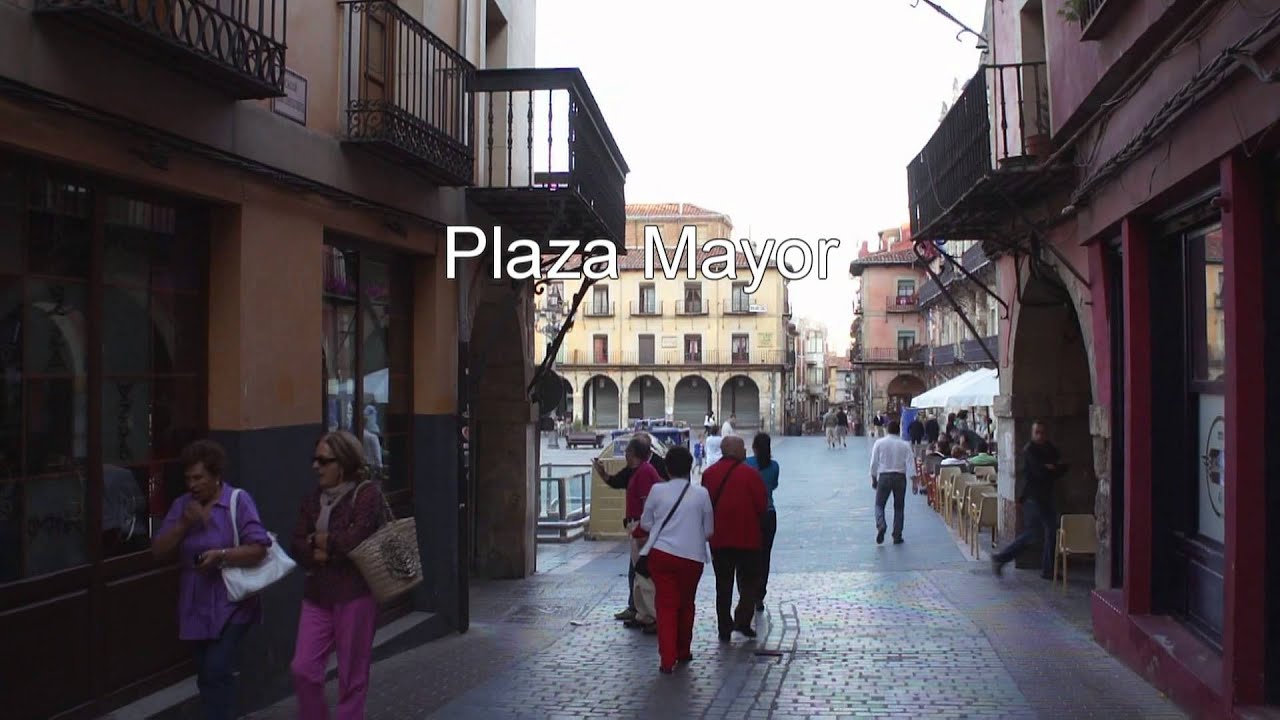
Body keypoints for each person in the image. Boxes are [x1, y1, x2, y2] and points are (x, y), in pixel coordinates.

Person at [153, 440, 271, 720]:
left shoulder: (237, 501)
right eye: (188, 479)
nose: (192, 485)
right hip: (196, 600)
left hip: (232, 600)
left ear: (216, 475)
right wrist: (183, 524)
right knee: (205, 672)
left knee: (217, 667)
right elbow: (158, 550)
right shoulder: (183, 506)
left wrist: (221, 555)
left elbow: (259, 547)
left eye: (199, 478)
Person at [290, 430, 387, 719]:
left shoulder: (367, 495)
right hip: (317, 595)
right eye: (314, 459)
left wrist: (322, 543)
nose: (315, 466)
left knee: (352, 676)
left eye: (323, 461)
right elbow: (297, 544)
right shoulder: (312, 499)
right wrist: (324, 548)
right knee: (303, 669)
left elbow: (353, 542)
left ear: (342, 463)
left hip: (354, 594)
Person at [639, 446, 714, 674]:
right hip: (692, 557)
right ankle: (683, 650)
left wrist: (660, 529)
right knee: (686, 603)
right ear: (690, 467)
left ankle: (667, 658)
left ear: (667, 468)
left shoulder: (656, 491)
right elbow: (709, 531)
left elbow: (645, 523)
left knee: (666, 605)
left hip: (662, 554)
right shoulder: (702, 494)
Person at [701, 435, 767, 640]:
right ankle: (743, 619)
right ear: (736, 451)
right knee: (748, 583)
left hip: (720, 539)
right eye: (743, 448)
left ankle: (724, 626)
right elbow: (762, 505)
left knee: (723, 585)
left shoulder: (709, 474)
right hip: (747, 538)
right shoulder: (751, 474)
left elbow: (705, 505)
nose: (746, 451)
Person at [993, 420, 1067, 579]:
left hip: (1046, 497)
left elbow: (1061, 467)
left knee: (1050, 531)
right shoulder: (1030, 450)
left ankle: (1047, 569)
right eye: (1037, 432)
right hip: (1032, 497)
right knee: (1032, 533)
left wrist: (1051, 468)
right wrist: (1049, 468)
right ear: (1032, 434)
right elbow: (1039, 472)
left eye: (1042, 432)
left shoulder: (1050, 448)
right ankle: (1001, 557)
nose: (1040, 436)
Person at [624, 438, 664, 632]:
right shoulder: (640, 471)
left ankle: (653, 615)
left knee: (644, 573)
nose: (625, 455)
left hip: (640, 525)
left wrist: (643, 531)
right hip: (635, 524)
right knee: (639, 572)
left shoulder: (644, 472)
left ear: (634, 453)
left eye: (627, 451)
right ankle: (643, 613)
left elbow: (648, 503)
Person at [745, 433, 779, 610]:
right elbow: (773, 485)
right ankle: (760, 594)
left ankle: (747, 593)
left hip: (750, 514)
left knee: (748, 556)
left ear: (754, 447)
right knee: (765, 556)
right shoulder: (774, 466)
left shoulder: (747, 464)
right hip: (769, 513)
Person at [868, 419, 916, 545]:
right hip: (900, 477)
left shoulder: (879, 443)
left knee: (879, 504)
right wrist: (914, 481)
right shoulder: (905, 445)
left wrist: (874, 478)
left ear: (887, 430)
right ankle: (897, 535)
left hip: (884, 476)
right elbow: (910, 464)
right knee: (899, 507)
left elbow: (874, 462)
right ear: (898, 430)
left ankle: (881, 524)